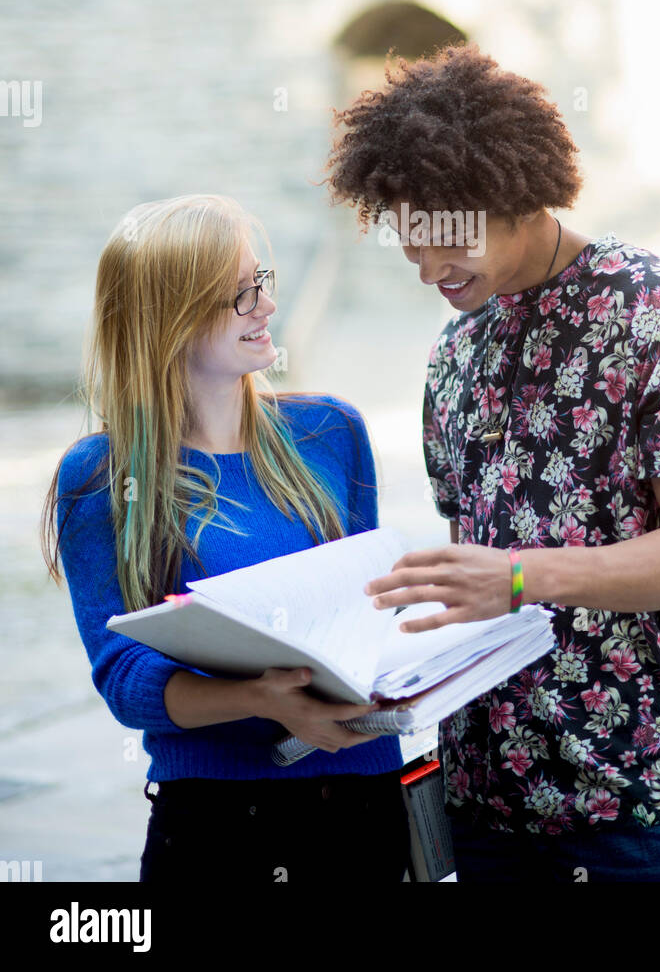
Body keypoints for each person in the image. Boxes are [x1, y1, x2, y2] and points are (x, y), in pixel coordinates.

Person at [323, 41, 660, 883]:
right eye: (409, 247)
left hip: (626, 798)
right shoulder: (455, 351)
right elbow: (475, 569)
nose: (426, 271)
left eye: (445, 243)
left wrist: (518, 576)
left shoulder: (656, 310)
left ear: (514, 195)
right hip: (480, 801)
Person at [40, 193, 411, 885]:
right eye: (239, 295)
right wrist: (262, 698)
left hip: (365, 807)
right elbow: (126, 681)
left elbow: (369, 614)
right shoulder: (101, 475)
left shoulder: (330, 432)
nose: (266, 306)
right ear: (171, 321)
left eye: (260, 283)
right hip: (218, 824)